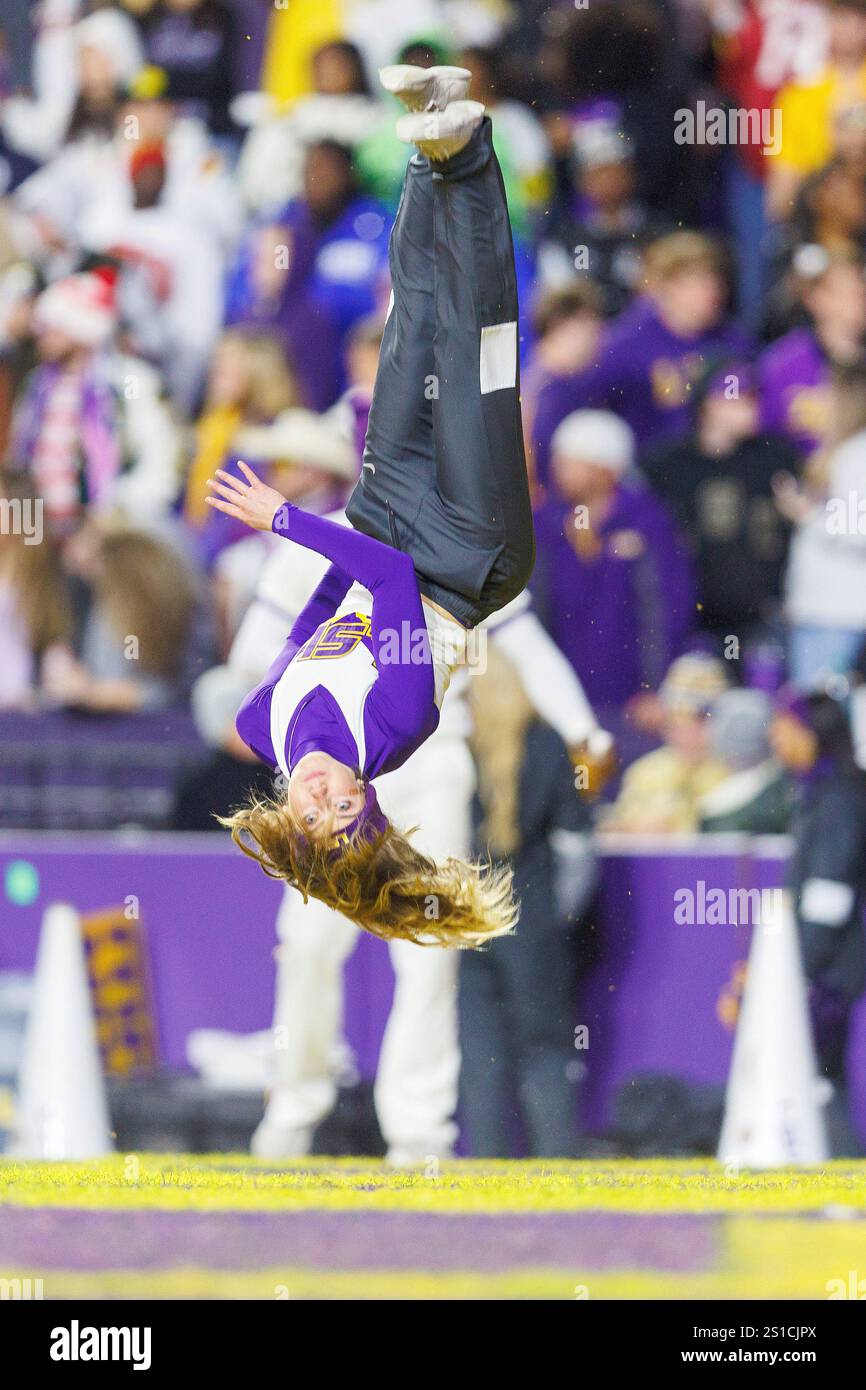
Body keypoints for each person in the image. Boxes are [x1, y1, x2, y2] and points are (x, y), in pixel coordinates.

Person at [206, 75, 535, 948]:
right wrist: (284, 520)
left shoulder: (258, 723)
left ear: (292, 825)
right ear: (373, 797)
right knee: (474, 341)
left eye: (318, 815)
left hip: (384, 523)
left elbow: (323, 609)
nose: (326, 795)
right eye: (350, 804)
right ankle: (471, 152)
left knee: (407, 326)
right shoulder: (396, 722)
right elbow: (385, 580)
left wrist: (326, 528)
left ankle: (429, 145)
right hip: (469, 558)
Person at [459, 645, 597, 1157]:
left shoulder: (453, 747)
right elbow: (577, 846)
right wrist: (554, 914)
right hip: (529, 907)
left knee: (480, 1050)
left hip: (465, 909)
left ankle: (487, 1170)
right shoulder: (545, 743)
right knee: (544, 1047)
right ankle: (557, 1164)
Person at [532, 231, 751, 487]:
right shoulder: (627, 342)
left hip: (719, 477)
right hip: (647, 480)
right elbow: (574, 403)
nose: (711, 291)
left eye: (715, 280)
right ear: (667, 285)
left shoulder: (733, 342)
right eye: (697, 281)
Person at [532, 409, 695, 714]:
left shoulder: (647, 521)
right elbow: (532, 608)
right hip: (560, 694)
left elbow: (666, 608)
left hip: (632, 700)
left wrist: (655, 687)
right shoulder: (544, 523)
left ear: (606, 469)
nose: (558, 469)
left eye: (572, 462)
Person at [770, 686, 866, 1154]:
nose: (776, 739)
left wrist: (799, 966)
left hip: (833, 964)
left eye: (784, 728)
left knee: (821, 1076)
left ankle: (845, 1176)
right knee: (818, 1076)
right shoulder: (820, 791)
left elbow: (831, 893)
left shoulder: (840, 796)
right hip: (825, 960)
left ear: (812, 734)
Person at [643, 360, 800, 644]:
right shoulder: (667, 466)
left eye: (754, 396)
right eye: (740, 397)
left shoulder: (775, 458)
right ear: (709, 404)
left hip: (761, 614)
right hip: (691, 615)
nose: (751, 405)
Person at [603, 652, 731, 835]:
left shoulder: (732, 774)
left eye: (700, 719)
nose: (689, 732)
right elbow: (619, 836)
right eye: (677, 717)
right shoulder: (645, 774)